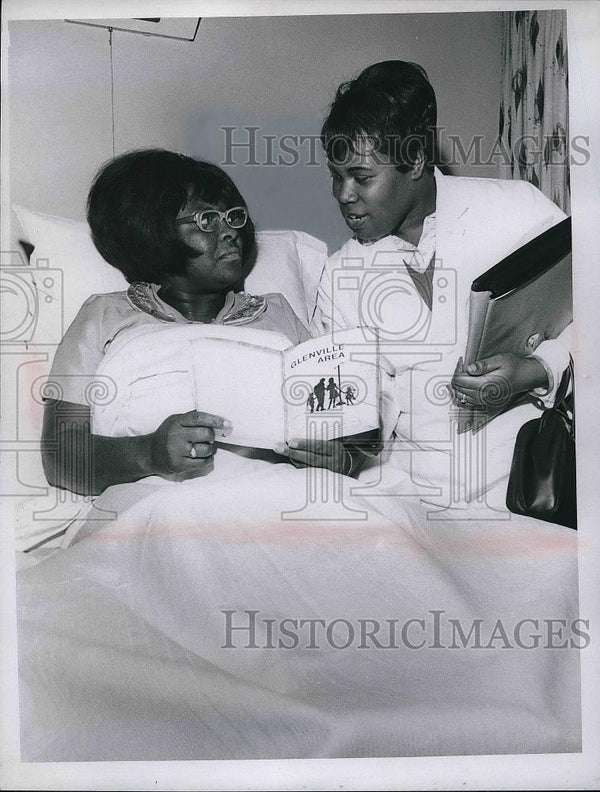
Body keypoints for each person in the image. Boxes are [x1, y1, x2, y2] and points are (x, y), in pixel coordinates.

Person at [313, 60, 570, 513]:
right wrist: (340, 445)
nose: (343, 194)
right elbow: (355, 408)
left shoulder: (518, 213)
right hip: (410, 495)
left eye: (362, 176)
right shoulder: (340, 276)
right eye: (337, 176)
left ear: (414, 160)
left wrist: (535, 369)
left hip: (531, 474)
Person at [42, 149, 362, 496]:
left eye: (234, 218)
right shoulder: (103, 317)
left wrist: (337, 457)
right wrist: (148, 453)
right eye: (207, 221)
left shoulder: (277, 314)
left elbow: (344, 435)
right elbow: (60, 456)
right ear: (152, 232)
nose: (230, 233)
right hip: (158, 509)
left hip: (279, 501)